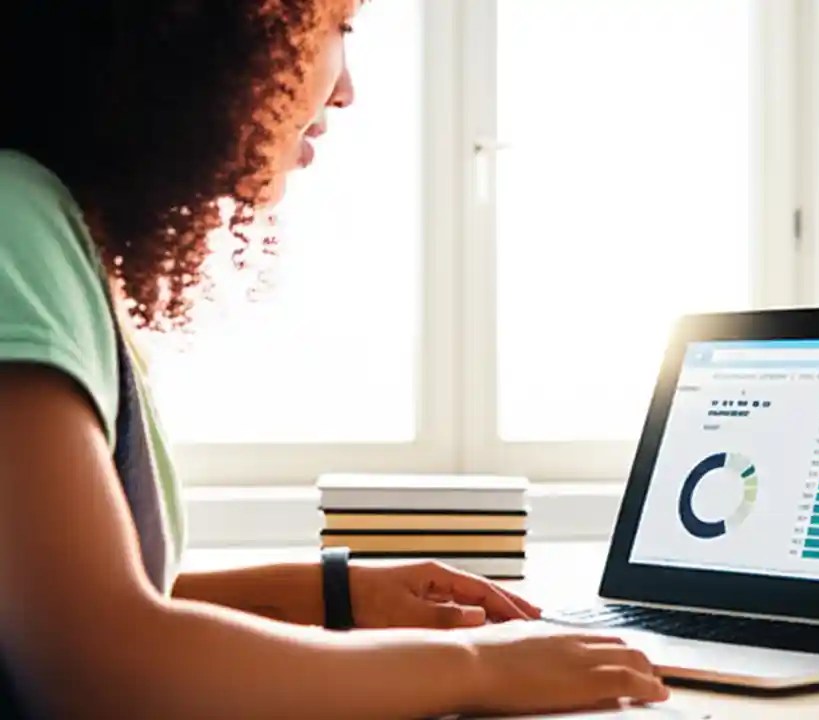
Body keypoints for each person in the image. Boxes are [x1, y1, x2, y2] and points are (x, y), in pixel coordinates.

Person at [0, 2, 668, 717]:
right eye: (337, 29)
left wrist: (336, 595)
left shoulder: (42, 220)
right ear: (215, 31)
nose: (346, 89)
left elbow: (57, 614)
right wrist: (473, 664)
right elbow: (93, 660)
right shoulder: (17, 222)